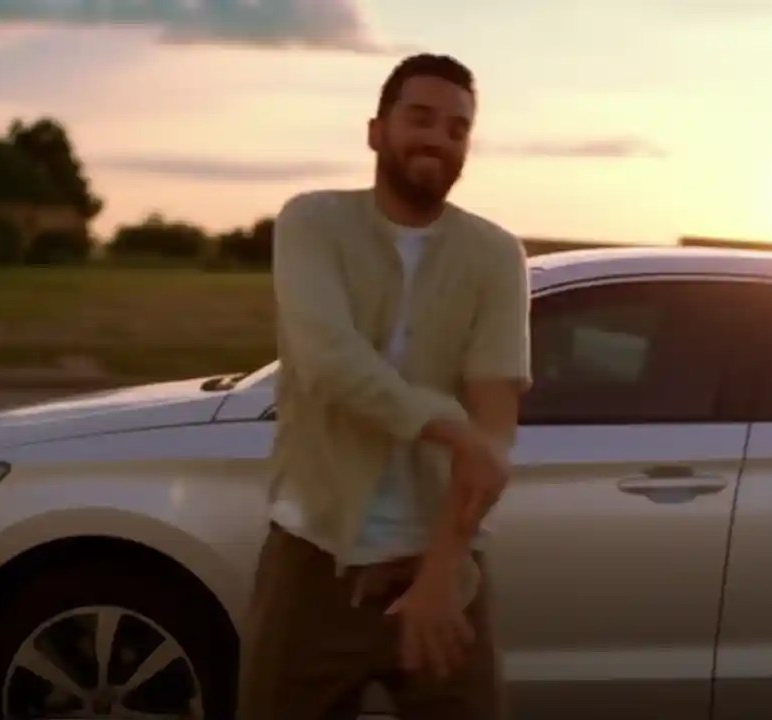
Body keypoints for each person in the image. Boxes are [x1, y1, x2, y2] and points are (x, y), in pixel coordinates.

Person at [235, 52, 532, 720]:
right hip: (314, 564)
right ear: (377, 131)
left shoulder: (494, 256)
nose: (438, 138)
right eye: (420, 118)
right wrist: (448, 426)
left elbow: (494, 432)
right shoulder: (312, 223)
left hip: (445, 569)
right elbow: (328, 361)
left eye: (457, 129)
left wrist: (437, 578)